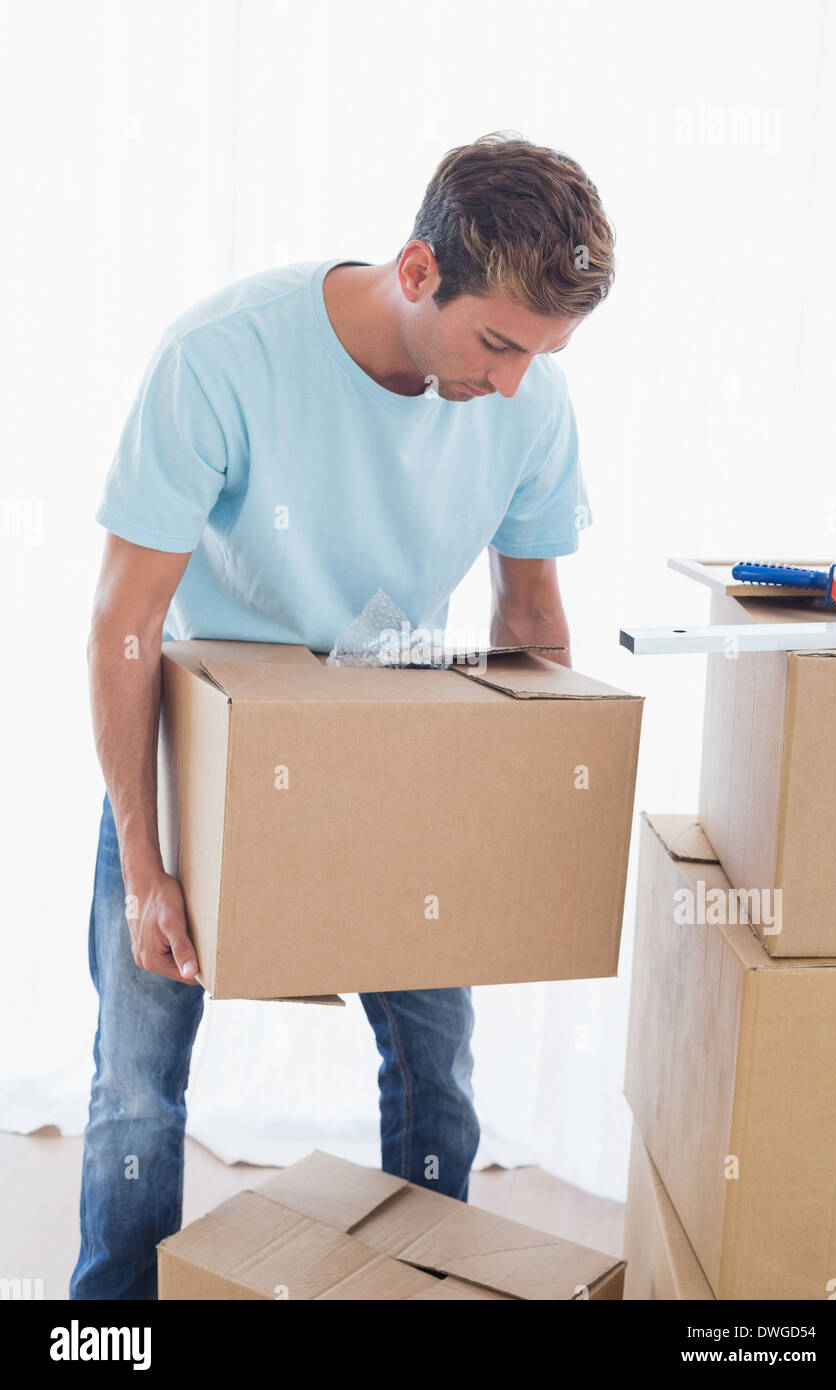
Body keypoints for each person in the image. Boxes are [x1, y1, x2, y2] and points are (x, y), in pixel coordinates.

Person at [70, 130, 615, 1298]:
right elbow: (123, 624)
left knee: (437, 1071)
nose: (515, 380)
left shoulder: (528, 403)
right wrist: (145, 860)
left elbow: (531, 623)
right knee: (136, 1076)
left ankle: (431, 1284)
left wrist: (511, 842)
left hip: (386, 754)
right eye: (500, 343)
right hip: (195, 759)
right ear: (418, 271)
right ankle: (111, 1318)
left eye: (543, 352)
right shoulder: (222, 357)